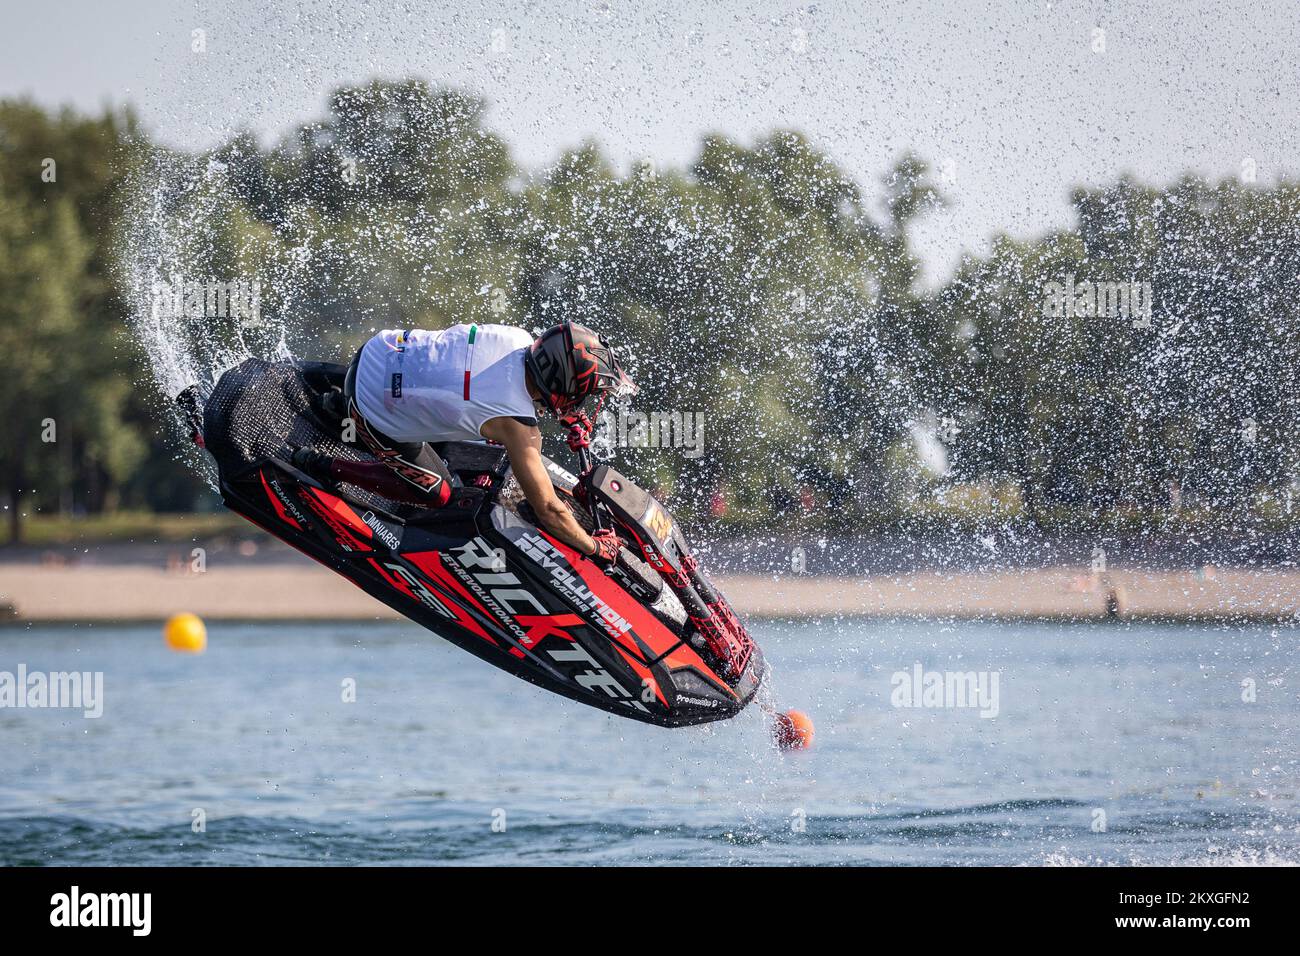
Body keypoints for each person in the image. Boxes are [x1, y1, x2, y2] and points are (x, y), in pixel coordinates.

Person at [292, 321, 634, 565]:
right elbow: (549, 511)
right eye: (582, 395)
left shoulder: (515, 337)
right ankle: (322, 465)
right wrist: (594, 548)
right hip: (368, 408)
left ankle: (335, 407)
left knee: (461, 410)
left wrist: (559, 406)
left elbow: (461, 372)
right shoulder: (518, 428)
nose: (584, 402)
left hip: (376, 350)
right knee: (437, 493)